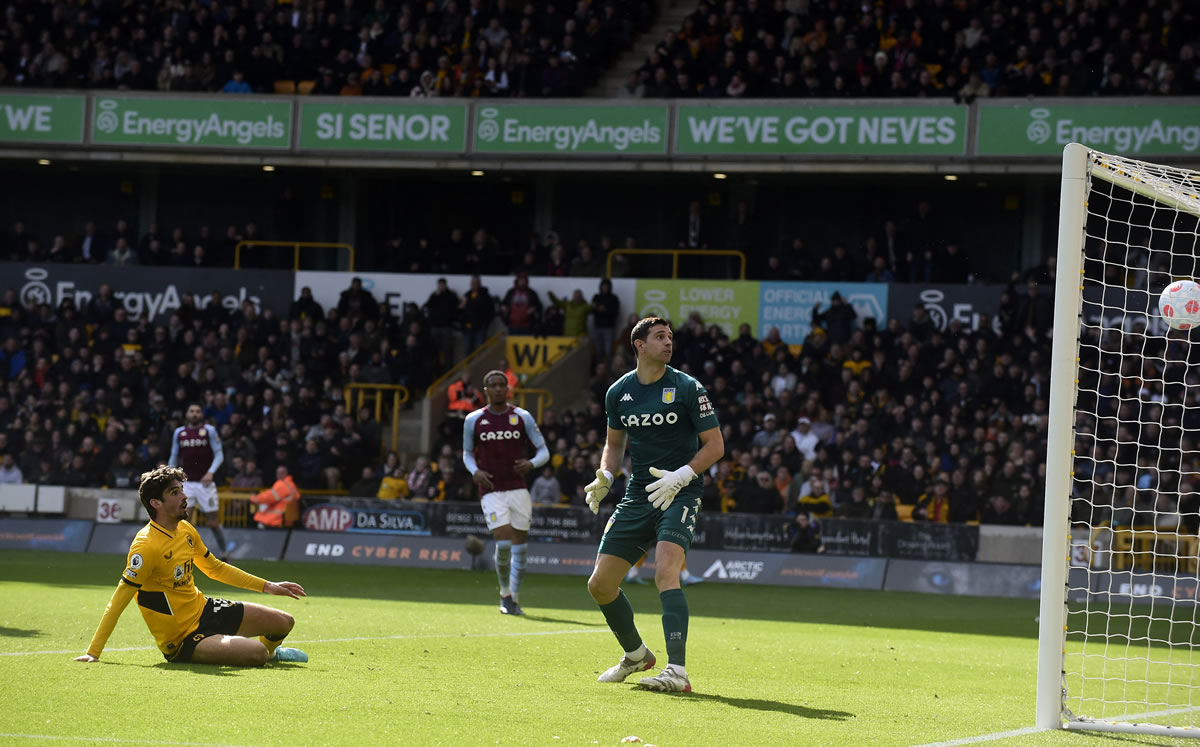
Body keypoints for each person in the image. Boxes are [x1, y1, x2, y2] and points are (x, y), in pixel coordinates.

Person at [584, 317, 724, 693]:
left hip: (680, 492)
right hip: (639, 494)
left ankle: (676, 671)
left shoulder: (688, 387)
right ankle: (636, 655)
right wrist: (605, 476)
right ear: (639, 345)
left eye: (670, 337)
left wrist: (682, 476)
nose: (668, 343)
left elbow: (715, 445)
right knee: (599, 585)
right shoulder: (619, 392)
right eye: (660, 337)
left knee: (666, 571)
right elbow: (614, 445)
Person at [75, 466, 308, 666]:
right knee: (256, 653)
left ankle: (272, 652)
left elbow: (214, 568)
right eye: (175, 492)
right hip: (183, 637)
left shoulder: (185, 529)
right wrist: (93, 652)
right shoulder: (146, 546)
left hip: (205, 609)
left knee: (285, 622)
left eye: (182, 490)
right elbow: (119, 600)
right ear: (156, 502)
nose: (184, 497)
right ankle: (263, 653)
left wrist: (268, 586)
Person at [462, 370, 550, 615]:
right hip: (490, 489)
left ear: (507, 389)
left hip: (518, 488)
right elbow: (467, 453)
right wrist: (474, 471)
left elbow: (543, 451)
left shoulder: (521, 417)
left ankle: (514, 598)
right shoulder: (474, 420)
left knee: (520, 546)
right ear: (486, 390)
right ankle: (504, 592)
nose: (499, 388)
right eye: (494, 385)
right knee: (503, 543)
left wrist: (532, 463)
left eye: (503, 385)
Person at [169, 403, 233, 559]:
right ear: (187, 414)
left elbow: (219, 455)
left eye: (197, 411)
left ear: (201, 415)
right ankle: (184, 553)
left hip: (206, 484)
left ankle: (224, 552)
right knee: (185, 521)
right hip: (187, 484)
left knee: (213, 523)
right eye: (192, 411)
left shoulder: (209, 431)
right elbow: (174, 454)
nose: (195, 414)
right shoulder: (179, 433)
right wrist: (169, 473)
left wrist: (210, 472)